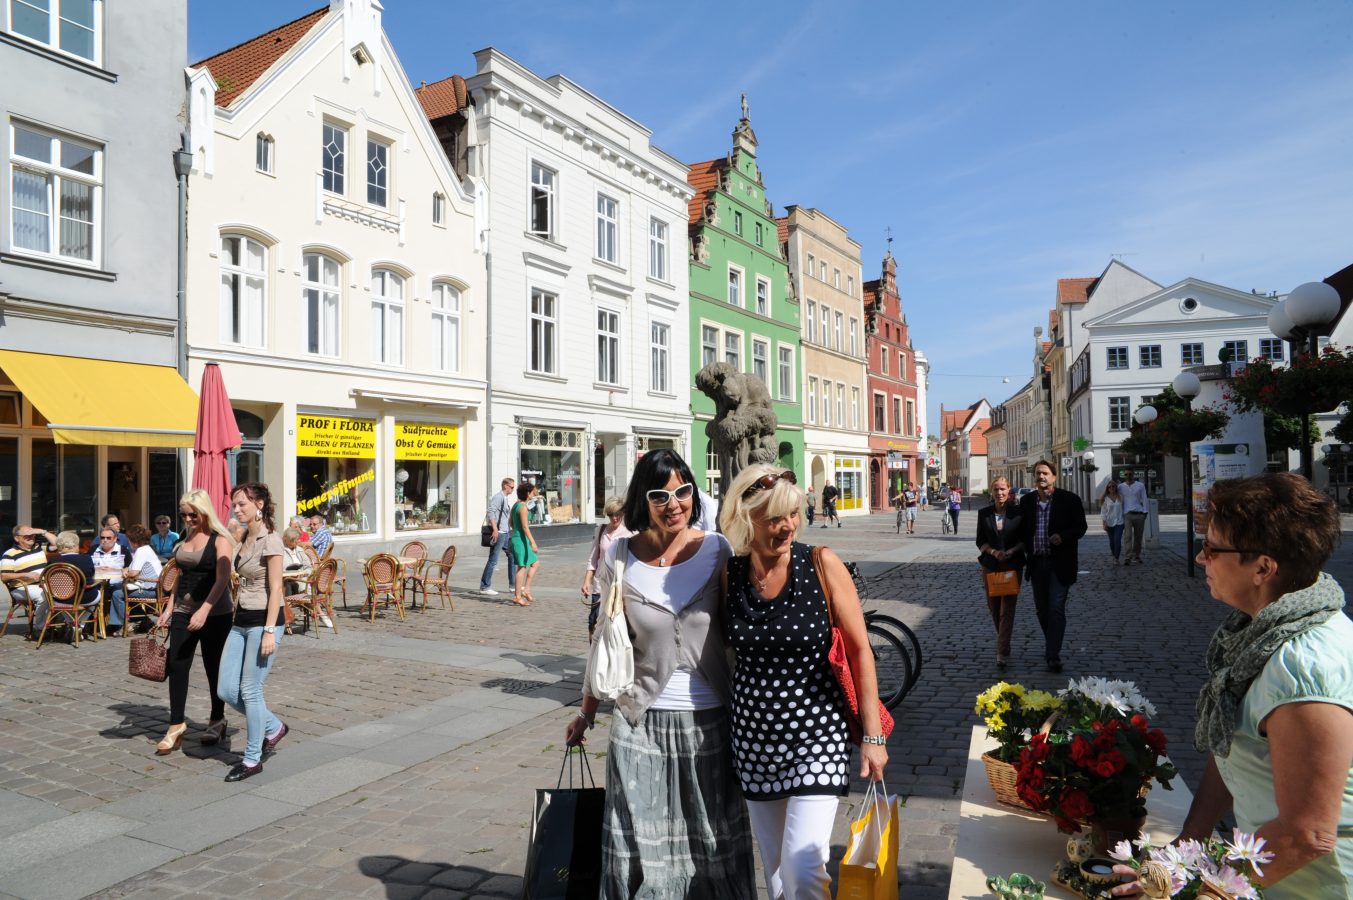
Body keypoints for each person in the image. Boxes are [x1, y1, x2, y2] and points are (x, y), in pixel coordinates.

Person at [1114, 473, 1352, 899]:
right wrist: (1185, 849)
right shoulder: (1259, 636)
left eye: (1212, 547)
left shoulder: (1302, 667)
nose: (1201, 558)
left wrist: (1194, 882)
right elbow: (1234, 746)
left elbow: (1307, 835)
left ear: (1263, 567)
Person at [564, 449, 755, 898]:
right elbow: (605, 641)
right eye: (660, 495)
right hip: (639, 723)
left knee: (709, 845)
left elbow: (741, 630)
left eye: (682, 491)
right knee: (643, 847)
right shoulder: (621, 555)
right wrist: (587, 712)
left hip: (708, 723)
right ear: (641, 502)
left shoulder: (716, 550)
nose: (674, 504)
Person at [721, 464, 888, 899]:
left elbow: (859, 651)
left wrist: (873, 735)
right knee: (775, 873)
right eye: (775, 518)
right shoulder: (730, 576)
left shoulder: (821, 564)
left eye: (793, 514)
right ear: (745, 517)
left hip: (818, 737)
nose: (788, 526)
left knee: (802, 868)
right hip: (754, 742)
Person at [154, 489, 234, 755]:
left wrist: (205, 609)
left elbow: (222, 579)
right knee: (177, 664)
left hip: (215, 612)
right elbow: (179, 575)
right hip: (183, 610)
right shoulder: (184, 539)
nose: (187, 519)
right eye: (184, 515)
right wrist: (169, 606)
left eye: (193, 515)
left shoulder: (220, 540)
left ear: (204, 512)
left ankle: (216, 719)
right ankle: (176, 724)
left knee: (214, 667)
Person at [218, 482, 288, 782]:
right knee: (225, 690)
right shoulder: (243, 536)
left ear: (259, 505)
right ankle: (273, 727)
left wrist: (270, 630)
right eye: (234, 504)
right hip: (240, 619)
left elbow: (276, 588)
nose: (236, 509)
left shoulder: (271, 540)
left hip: (264, 621)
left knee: (250, 689)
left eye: (242, 504)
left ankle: (251, 759)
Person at [1017, 461, 1086, 674]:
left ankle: (1053, 654)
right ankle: (1052, 644)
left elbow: (1080, 527)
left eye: (1045, 473)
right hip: (1037, 563)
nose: (1041, 476)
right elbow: (1020, 530)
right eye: (1038, 473)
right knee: (1042, 609)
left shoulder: (1069, 500)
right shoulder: (1027, 501)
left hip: (1060, 564)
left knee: (1056, 607)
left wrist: (1063, 536)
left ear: (1054, 477)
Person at [976, 476, 1025, 670]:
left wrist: (1011, 551)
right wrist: (993, 552)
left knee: (1007, 611)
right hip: (991, 566)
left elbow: (1024, 541)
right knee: (995, 609)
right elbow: (980, 541)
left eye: (1003, 489)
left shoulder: (1018, 513)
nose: (999, 493)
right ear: (991, 491)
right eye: (996, 489)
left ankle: (1001, 651)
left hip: (1012, 566)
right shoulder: (984, 513)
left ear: (1009, 490)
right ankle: (1004, 642)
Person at [580, 496, 632, 638]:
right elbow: (593, 558)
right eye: (610, 515)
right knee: (594, 622)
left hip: (620, 586)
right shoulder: (601, 530)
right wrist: (586, 581)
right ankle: (594, 655)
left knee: (617, 625)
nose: (614, 518)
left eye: (618, 514)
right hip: (600, 585)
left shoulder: (630, 533)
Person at [2, 524, 56, 638]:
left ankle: (58, 625)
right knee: (45, 596)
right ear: (17, 538)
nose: (31, 537)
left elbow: (58, 544)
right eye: (27, 535)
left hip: (43, 584)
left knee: (63, 593)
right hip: (21, 587)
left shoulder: (39, 547)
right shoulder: (10, 554)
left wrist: (42, 531)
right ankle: (40, 628)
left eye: (32, 534)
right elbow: (4, 576)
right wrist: (26, 575)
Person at [51, 531, 100, 636]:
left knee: (63, 602)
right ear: (75, 545)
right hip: (85, 598)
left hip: (60, 599)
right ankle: (79, 626)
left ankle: (71, 624)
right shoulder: (86, 559)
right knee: (98, 593)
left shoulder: (52, 562)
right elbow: (91, 575)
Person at [91, 525, 134, 636]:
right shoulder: (93, 549)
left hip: (117, 582)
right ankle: (90, 625)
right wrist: (95, 569)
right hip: (97, 583)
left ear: (115, 539)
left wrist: (116, 570)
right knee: (88, 592)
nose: (104, 540)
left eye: (108, 538)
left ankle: (117, 626)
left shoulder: (123, 550)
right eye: (102, 537)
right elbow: (86, 567)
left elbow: (131, 568)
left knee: (117, 593)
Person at [478, 478, 517, 596]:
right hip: (499, 533)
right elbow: (491, 512)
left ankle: (513, 585)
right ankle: (485, 586)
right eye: (512, 487)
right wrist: (495, 529)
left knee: (512, 556)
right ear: (505, 486)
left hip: (505, 532)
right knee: (493, 560)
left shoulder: (505, 498)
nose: (513, 489)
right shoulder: (498, 497)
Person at [119, 524, 162, 633]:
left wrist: (125, 572)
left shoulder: (141, 551)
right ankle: (142, 620)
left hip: (151, 590)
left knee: (117, 594)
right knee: (123, 592)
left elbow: (133, 573)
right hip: (157, 588)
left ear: (133, 540)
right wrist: (126, 569)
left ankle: (119, 626)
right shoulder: (147, 549)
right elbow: (133, 567)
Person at [508, 483, 540, 606]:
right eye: (532, 491)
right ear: (527, 493)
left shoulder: (517, 504)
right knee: (521, 567)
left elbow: (511, 522)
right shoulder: (522, 507)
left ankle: (526, 590)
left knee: (535, 563)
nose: (533, 493)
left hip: (519, 538)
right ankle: (517, 596)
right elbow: (525, 527)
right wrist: (533, 542)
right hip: (520, 540)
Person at [1119, 469, 1148, 565]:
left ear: (1133, 475)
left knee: (1138, 537)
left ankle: (1136, 555)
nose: (1128, 475)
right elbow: (1118, 499)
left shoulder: (1140, 485)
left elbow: (1144, 498)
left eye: (1130, 474)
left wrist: (1145, 512)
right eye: (1126, 474)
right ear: (1124, 475)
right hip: (1127, 514)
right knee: (1127, 536)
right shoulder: (1121, 487)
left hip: (1139, 513)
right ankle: (1128, 556)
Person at [1099, 481, 1125, 566]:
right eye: (1109, 487)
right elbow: (1103, 512)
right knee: (1112, 541)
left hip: (1119, 522)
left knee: (1117, 540)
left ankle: (1116, 558)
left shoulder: (1120, 497)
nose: (1111, 488)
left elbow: (1125, 508)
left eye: (1113, 486)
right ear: (1107, 488)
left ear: (1116, 487)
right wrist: (1104, 523)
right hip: (1109, 523)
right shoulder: (1105, 498)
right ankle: (1114, 555)